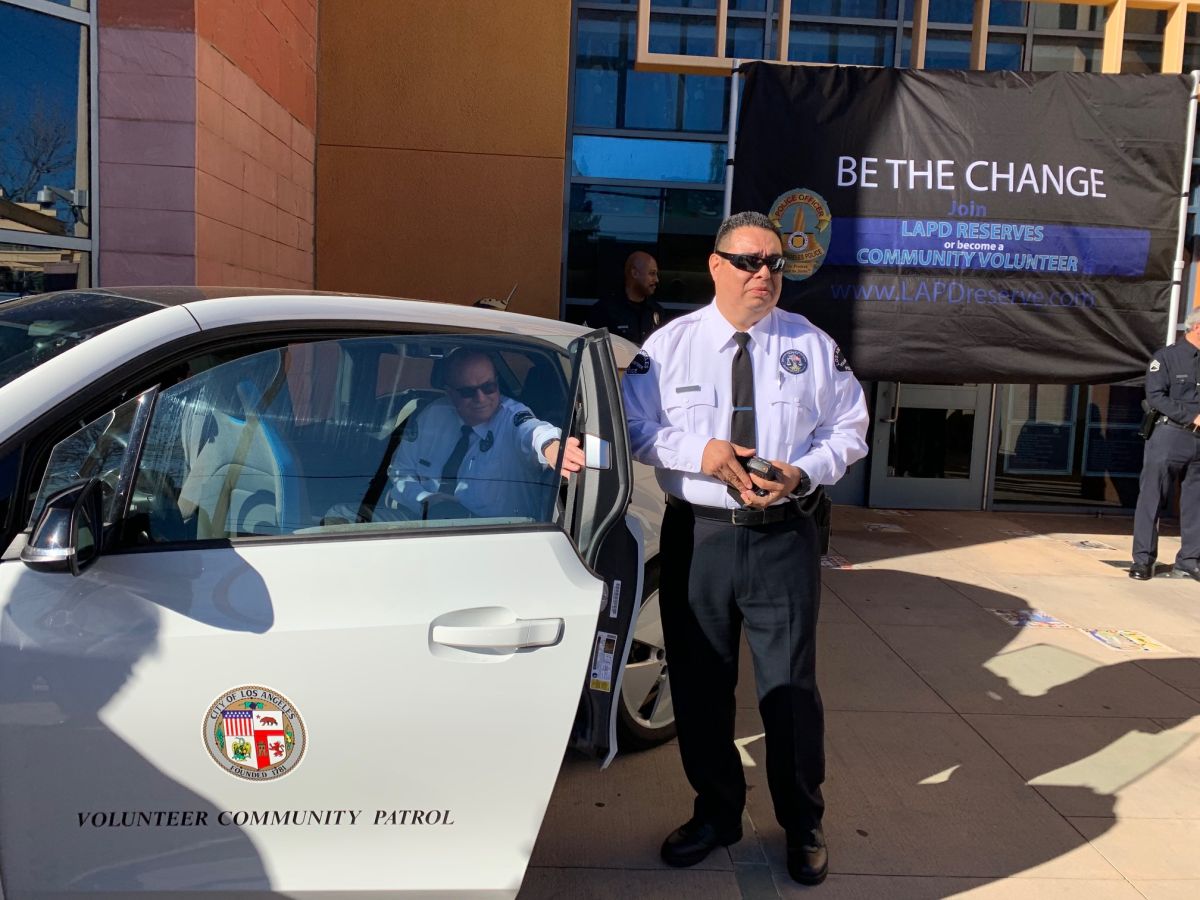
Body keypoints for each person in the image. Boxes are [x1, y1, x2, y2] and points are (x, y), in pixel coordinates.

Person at [622, 211, 869, 885]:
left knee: (789, 690)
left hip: (782, 538)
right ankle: (716, 813)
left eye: (774, 264)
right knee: (699, 686)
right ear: (715, 265)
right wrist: (698, 451)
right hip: (699, 538)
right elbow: (634, 427)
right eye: (748, 261)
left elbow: (850, 429)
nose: (764, 274)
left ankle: (803, 821)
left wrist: (804, 472)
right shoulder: (669, 347)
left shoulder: (811, 345)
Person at [384, 349, 583, 519]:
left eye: (489, 387)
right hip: (425, 528)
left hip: (503, 538)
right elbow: (401, 471)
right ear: (450, 393)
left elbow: (532, 431)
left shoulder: (511, 416)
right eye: (468, 392)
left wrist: (552, 447)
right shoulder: (434, 415)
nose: (481, 398)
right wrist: (425, 501)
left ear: (497, 383)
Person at [1130, 307, 1200, 581]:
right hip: (1171, 435)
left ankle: (1190, 561)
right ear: (1196, 327)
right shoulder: (1166, 358)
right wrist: (1191, 416)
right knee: (1152, 497)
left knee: (1196, 503)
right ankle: (1143, 560)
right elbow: (1156, 396)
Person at [585, 250, 664, 344]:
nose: (656, 280)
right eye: (652, 273)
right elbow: (587, 345)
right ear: (634, 273)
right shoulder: (605, 310)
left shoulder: (656, 311)